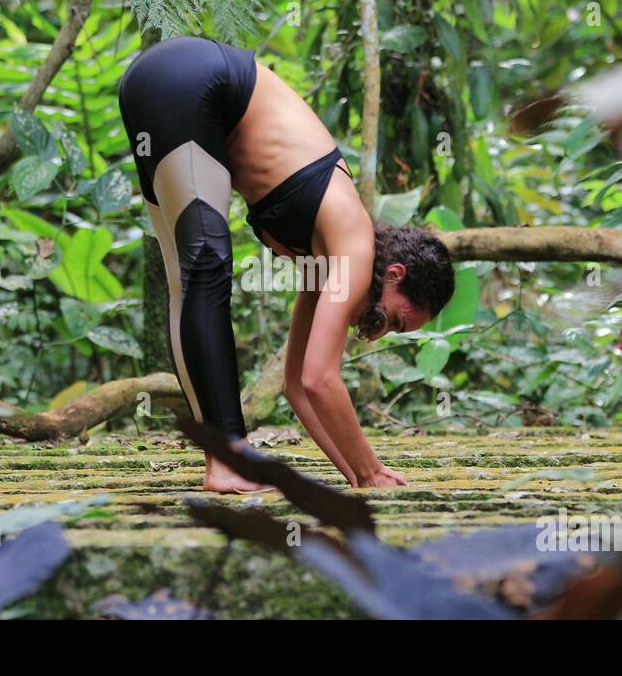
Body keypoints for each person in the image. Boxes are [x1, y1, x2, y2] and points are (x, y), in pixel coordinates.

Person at [118, 36, 455, 492]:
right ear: (396, 275)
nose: (379, 332)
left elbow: (298, 386)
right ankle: (227, 461)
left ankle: (223, 459)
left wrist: (358, 476)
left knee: (188, 279)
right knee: (204, 268)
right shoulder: (355, 246)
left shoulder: (328, 255)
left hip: (154, 85)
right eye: (396, 319)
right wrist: (373, 469)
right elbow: (320, 379)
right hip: (192, 80)